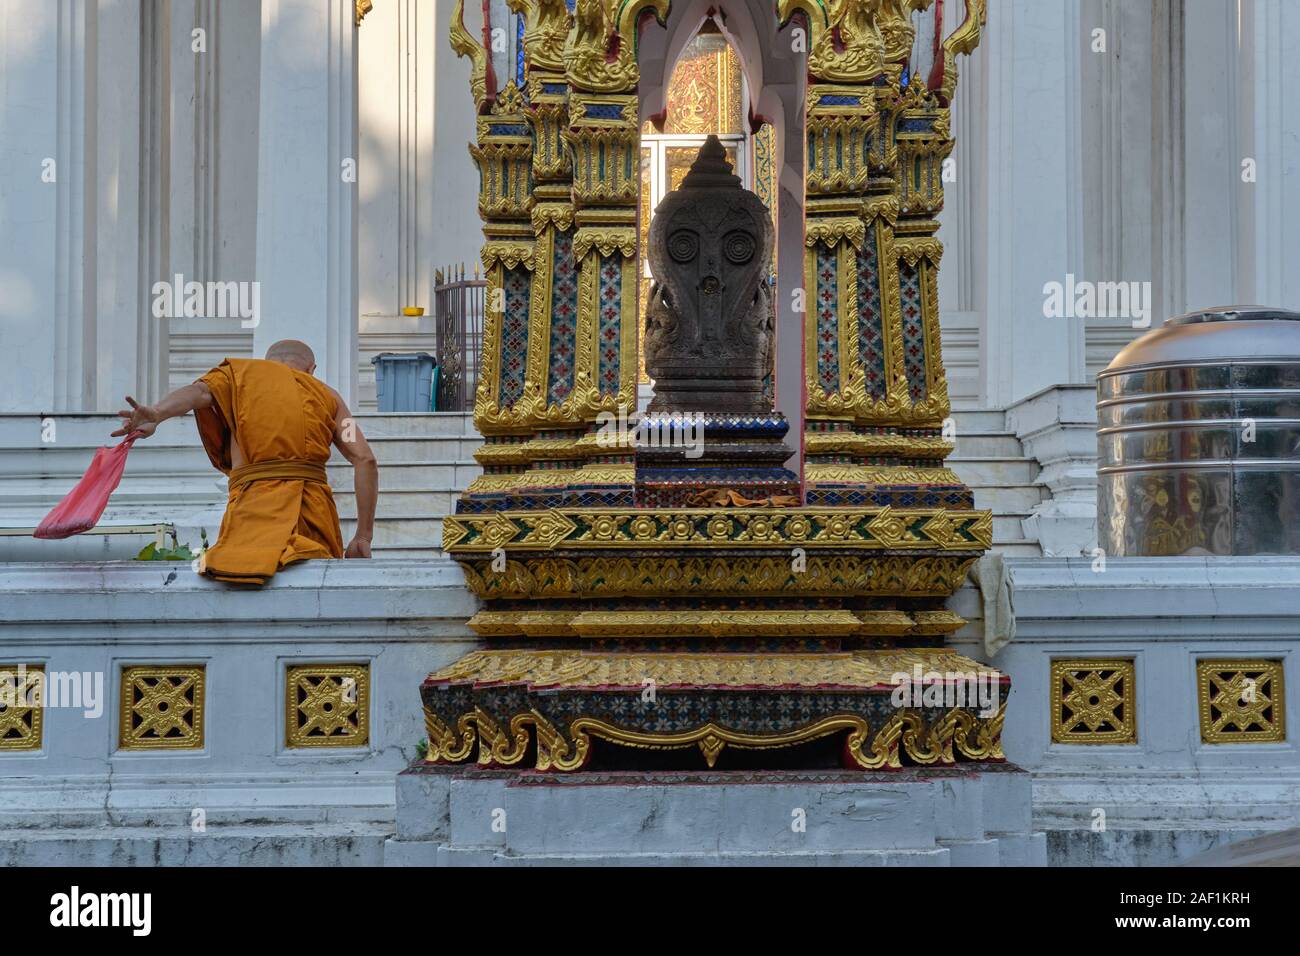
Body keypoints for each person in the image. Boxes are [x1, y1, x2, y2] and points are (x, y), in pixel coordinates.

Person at [112, 340, 378, 584]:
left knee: (239, 571)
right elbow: (364, 459)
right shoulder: (327, 396)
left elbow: (197, 393)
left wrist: (157, 413)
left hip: (250, 515)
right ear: (312, 369)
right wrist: (363, 537)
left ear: (265, 362)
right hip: (311, 515)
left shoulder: (240, 379)